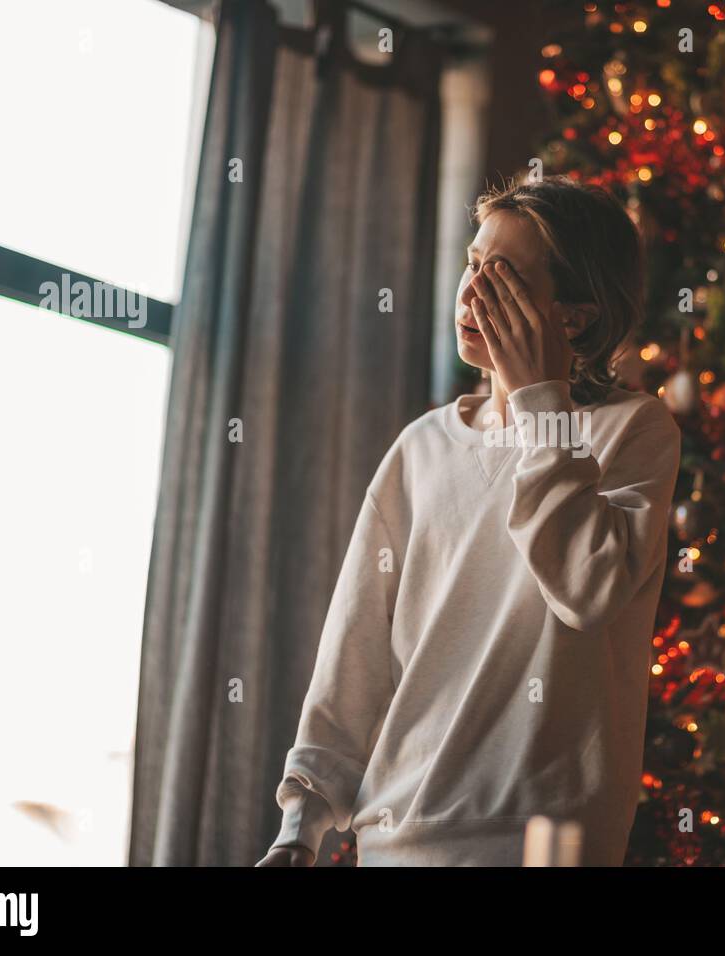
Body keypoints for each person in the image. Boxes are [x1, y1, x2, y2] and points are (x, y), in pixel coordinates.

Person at [257, 175, 681, 867]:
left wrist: (540, 403)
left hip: (541, 846)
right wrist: (299, 826)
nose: (471, 290)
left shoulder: (633, 431)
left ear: (572, 315)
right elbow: (355, 650)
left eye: (503, 275)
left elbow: (588, 590)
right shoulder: (422, 448)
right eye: (472, 263)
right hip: (396, 843)